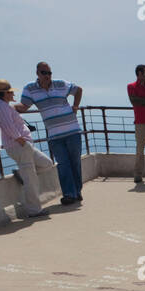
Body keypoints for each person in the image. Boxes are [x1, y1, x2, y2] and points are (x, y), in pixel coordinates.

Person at [17, 61, 84, 205]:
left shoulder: (60, 84)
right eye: (44, 73)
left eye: (49, 73)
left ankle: (77, 192)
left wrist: (76, 106)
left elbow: (78, 90)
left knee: (75, 163)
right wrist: (5, 105)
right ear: (37, 73)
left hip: (72, 131)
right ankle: (69, 194)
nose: (47, 76)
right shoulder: (30, 89)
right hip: (54, 135)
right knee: (63, 164)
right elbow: (23, 106)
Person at [0, 79, 54, 217]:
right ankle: (34, 210)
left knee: (47, 163)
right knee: (31, 180)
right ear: (5, 93)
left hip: (23, 145)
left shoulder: (2, 105)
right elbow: (8, 126)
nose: (13, 94)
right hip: (19, 146)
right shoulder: (1, 107)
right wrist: (20, 140)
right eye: (11, 92)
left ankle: (21, 174)